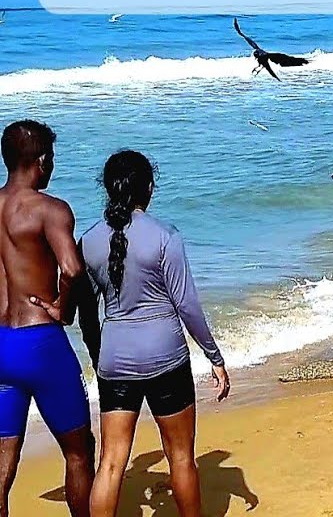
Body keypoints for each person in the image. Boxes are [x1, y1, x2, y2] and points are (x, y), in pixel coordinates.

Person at [75, 150, 230, 517]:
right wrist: (215, 358)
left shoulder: (90, 241)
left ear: (109, 189)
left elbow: (86, 314)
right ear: (149, 188)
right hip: (165, 358)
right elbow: (188, 306)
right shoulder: (165, 237)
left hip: (115, 362)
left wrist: (100, 356)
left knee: (111, 463)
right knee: (180, 458)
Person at [0, 120, 94, 517]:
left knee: (5, 452)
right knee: (79, 449)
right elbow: (72, 268)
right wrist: (61, 306)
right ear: (41, 161)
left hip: (3, 343)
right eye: (50, 159)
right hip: (41, 343)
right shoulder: (50, 210)